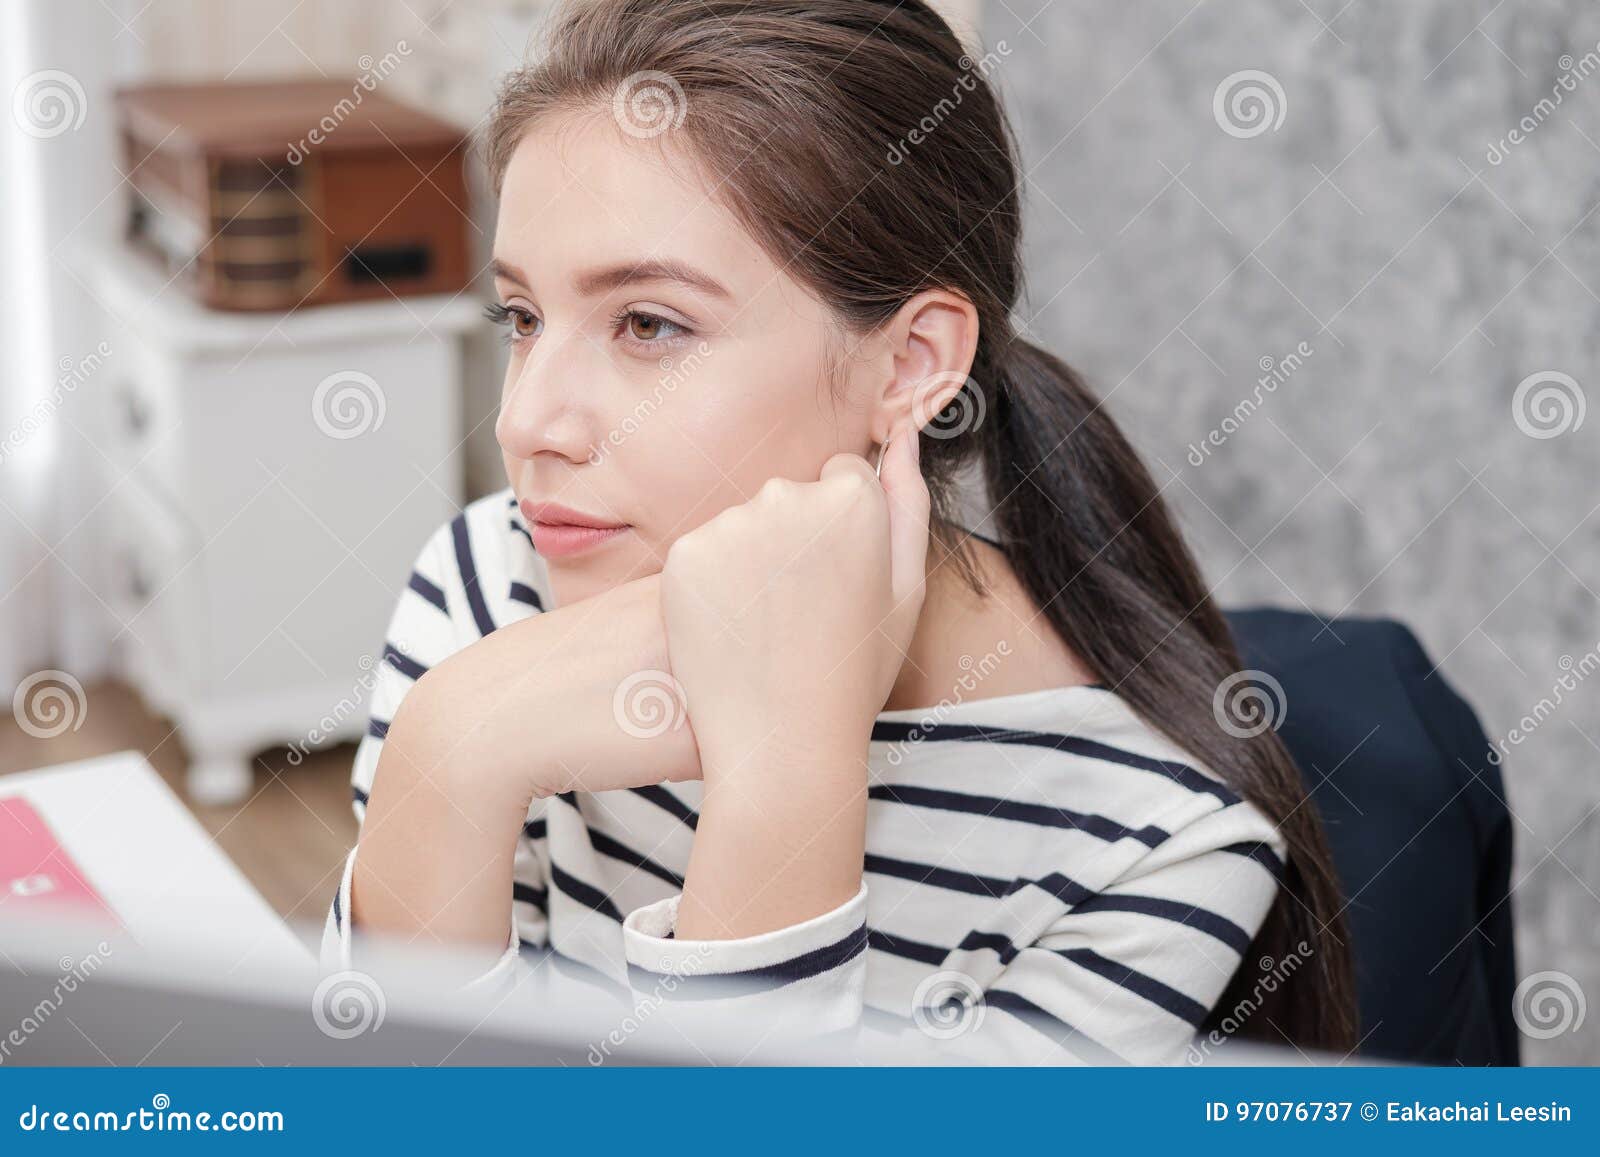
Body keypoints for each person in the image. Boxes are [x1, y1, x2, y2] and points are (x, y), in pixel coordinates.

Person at [322, 0, 1357, 1064]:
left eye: (647, 324)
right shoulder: (491, 581)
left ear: (909, 366)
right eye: (524, 319)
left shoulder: (1153, 846)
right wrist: (450, 747)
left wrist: (784, 768)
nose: (525, 420)